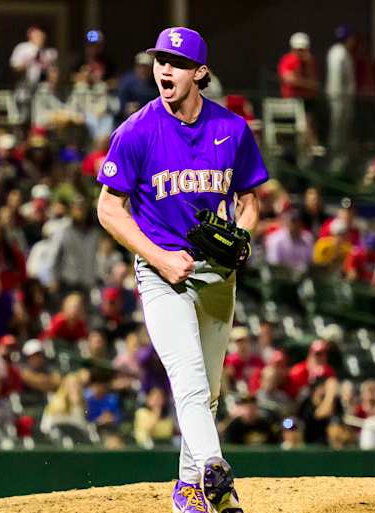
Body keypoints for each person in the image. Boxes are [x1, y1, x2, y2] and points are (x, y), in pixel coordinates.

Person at [95, 26, 267, 513]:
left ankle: (189, 487)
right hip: (162, 272)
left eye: (175, 63)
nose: (164, 70)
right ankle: (216, 472)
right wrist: (158, 257)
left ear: (200, 73)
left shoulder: (232, 129)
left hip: (217, 275)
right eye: (159, 61)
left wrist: (244, 234)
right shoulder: (136, 131)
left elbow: (249, 198)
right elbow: (109, 209)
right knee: (188, 378)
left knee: (208, 390)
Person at [326, 24, 356, 172]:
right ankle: (335, 163)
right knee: (337, 132)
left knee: (343, 132)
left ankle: (341, 162)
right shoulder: (338, 53)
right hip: (339, 100)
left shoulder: (341, 52)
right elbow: (337, 79)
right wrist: (340, 99)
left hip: (343, 99)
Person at [116, 52, 159, 121]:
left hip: (152, 116)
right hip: (131, 117)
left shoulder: (157, 82)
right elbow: (121, 102)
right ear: (136, 66)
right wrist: (127, 107)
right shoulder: (128, 80)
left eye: (146, 67)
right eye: (140, 66)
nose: (143, 70)